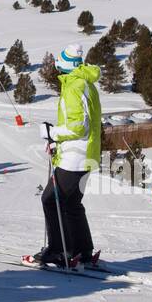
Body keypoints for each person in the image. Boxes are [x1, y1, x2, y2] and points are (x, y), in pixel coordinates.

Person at [24, 43, 101, 269]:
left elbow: (78, 126)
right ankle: (82, 250)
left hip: (76, 156)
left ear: (64, 66)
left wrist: (52, 133)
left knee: (51, 199)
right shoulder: (86, 83)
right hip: (86, 153)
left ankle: (60, 251)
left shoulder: (73, 87)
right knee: (71, 202)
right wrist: (58, 140)